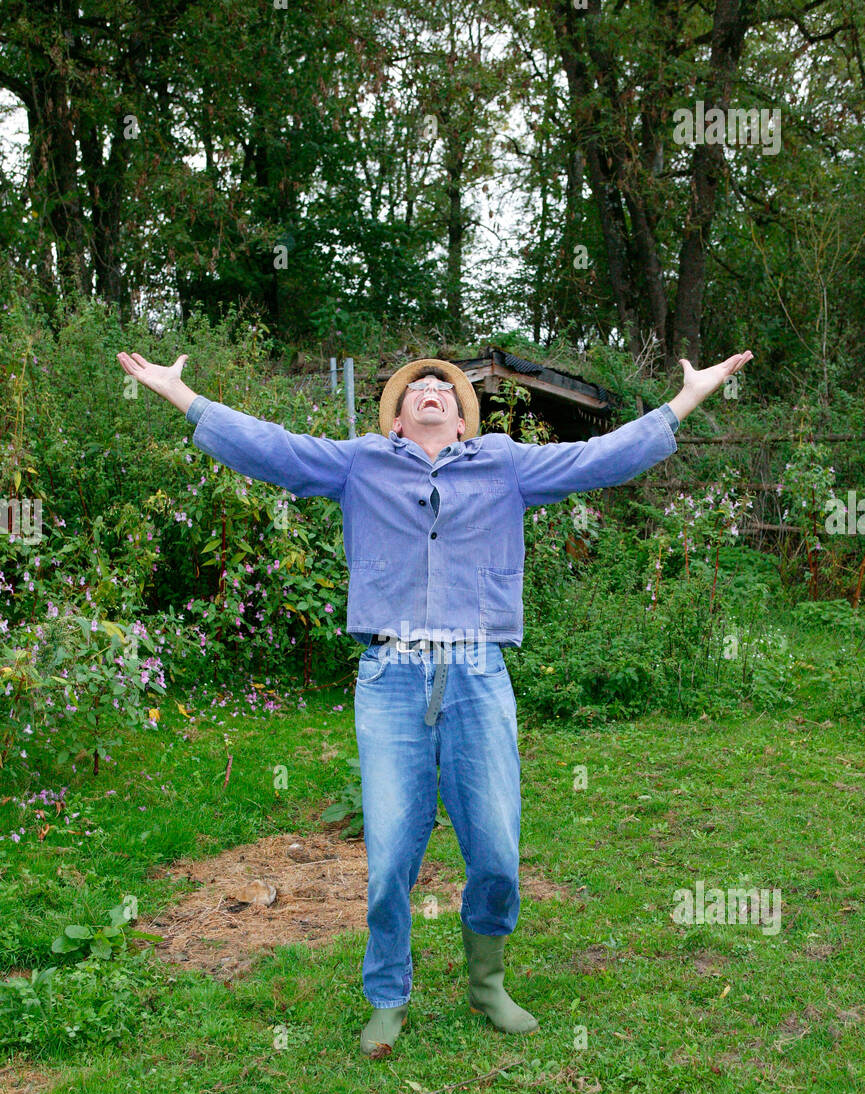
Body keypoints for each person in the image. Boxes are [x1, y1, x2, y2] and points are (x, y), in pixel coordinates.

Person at [116, 346, 753, 1057]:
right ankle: (387, 994)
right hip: (389, 677)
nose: (429, 390)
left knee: (495, 850)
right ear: (393, 418)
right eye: (414, 386)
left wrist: (687, 398)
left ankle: (487, 984)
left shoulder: (504, 465)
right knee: (390, 854)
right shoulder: (360, 464)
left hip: (476, 674)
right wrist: (182, 395)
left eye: (443, 388)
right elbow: (272, 448)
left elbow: (599, 459)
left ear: (461, 417)